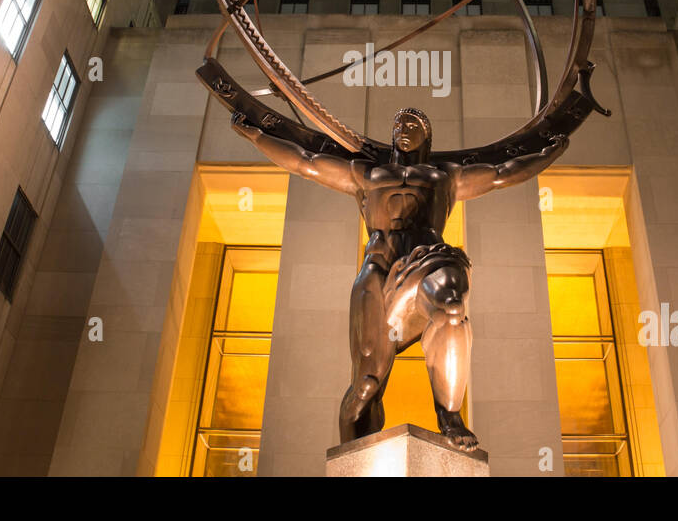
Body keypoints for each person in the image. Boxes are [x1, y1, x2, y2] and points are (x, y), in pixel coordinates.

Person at [231, 107, 568, 451]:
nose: (403, 129)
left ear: (427, 133)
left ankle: (449, 416)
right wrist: (257, 136)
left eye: (412, 124)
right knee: (365, 385)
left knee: (451, 302)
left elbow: (502, 173)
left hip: (426, 261)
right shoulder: (366, 173)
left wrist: (548, 153)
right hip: (378, 272)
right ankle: (354, 452)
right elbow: (305, 162)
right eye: (397, 124)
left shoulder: (446, 175)